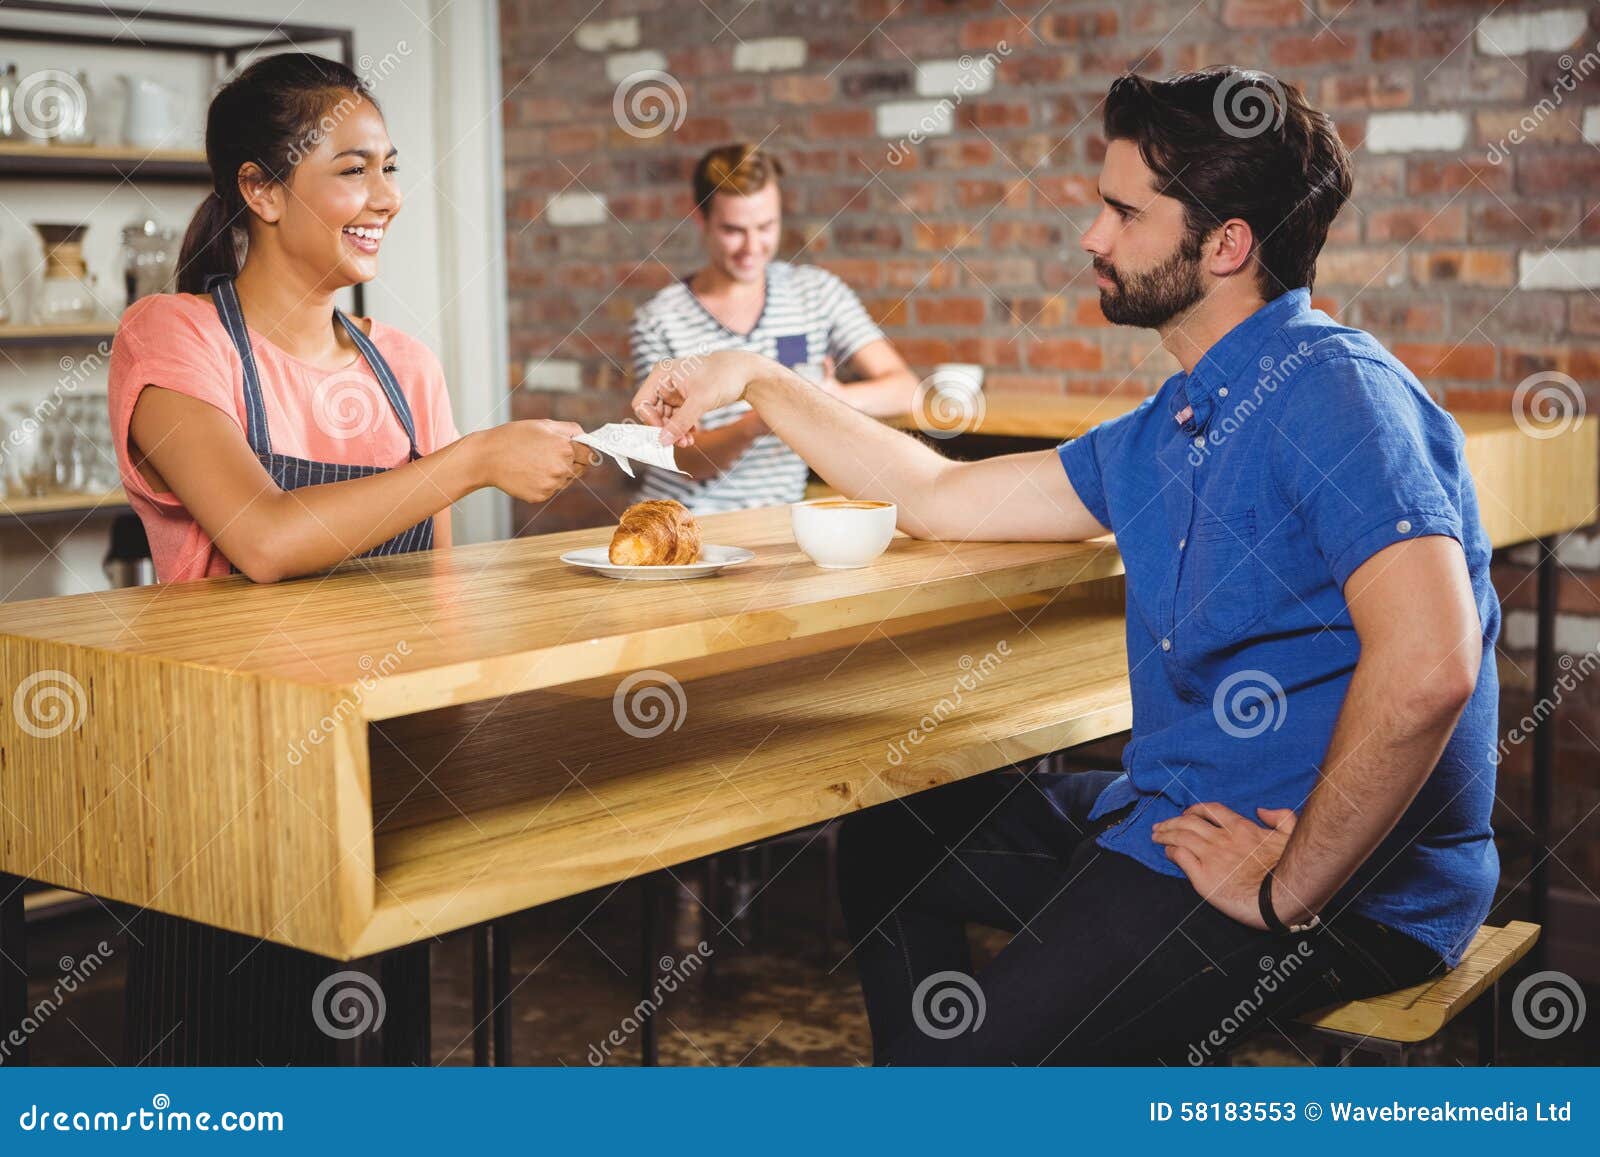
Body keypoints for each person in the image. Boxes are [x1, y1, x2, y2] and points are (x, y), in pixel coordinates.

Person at [633, 68, 1499, 1065]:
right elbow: (936, 495)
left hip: (1340, 880)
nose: (1092, 236)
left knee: (973, 1065)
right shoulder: (1170, 424)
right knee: (889, 837)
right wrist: (753, 376)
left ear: (1225, 245)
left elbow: (1432, 664)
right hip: (1182, 814)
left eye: (1124, 213)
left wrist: (1290, 882)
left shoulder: (1336, 391)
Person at [107, 53, 594, 1062]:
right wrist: (470, 462)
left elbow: (439, 597)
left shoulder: (402, 364)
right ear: (261, 189)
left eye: (391, 168)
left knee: (376, 1066)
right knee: (231, 1071)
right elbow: (264, 536)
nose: (387, 198)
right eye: (353, 170)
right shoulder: (174, 337)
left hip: (379, 775)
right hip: (223, 786)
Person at [629, 143, 917, 514]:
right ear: (700, 218)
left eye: (765, 227)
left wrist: (827, 398)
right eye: (733, 230)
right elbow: (683, 461)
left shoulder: (816, 293)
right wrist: (765, 415)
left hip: (779, 521)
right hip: (685, 521)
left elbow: (907, 390)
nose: (752, 247)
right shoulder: (659, 319)